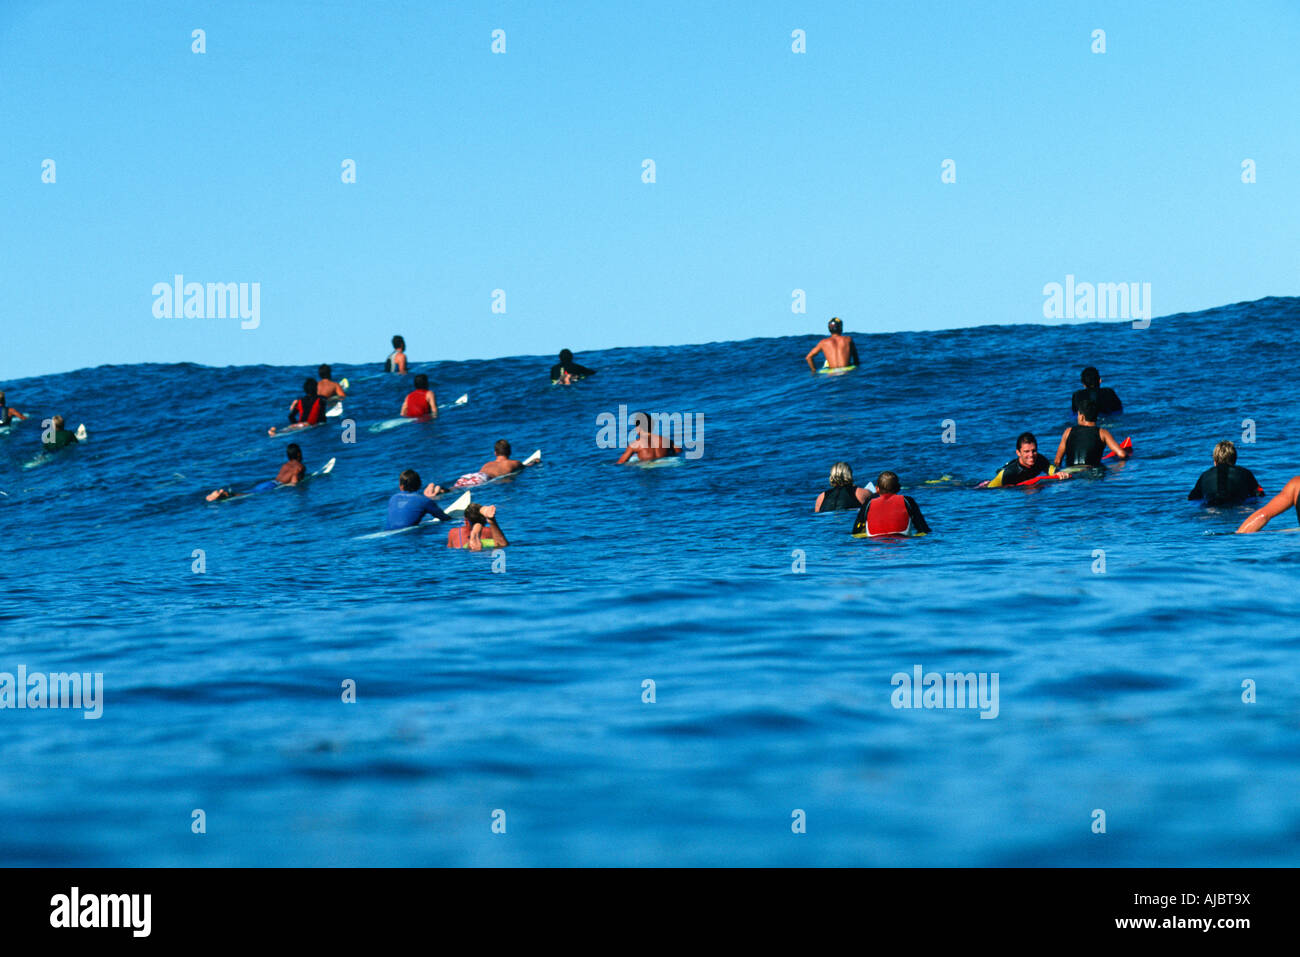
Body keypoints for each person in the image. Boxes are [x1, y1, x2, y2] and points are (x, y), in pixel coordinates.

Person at [206, 443, 307, 501]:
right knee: (248, 495)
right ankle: (226, 495)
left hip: (269, 482)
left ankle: (226, 494)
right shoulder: (300, 467)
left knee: (249, 492)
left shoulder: (285, 465)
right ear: (298, 454)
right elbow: (294, 482)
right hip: (274, 486)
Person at [851, 471, 931, 537]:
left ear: (876, 489)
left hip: (875, 545)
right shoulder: (908, 501)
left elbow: (856, 532)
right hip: (902, 542)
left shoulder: (869, 503)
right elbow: (923, 529)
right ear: (899, 488)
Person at [1052, 401, 1129, 468]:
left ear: (1082, 417)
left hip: (1069, 471)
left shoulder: (1068, 431)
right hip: (1091, 471)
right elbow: (1122, 454)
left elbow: (1057, 461)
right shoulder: (1102, 433)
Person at [433, 440, 530, 492]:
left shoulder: (487, 464)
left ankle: (441, 489)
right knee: (462, 489)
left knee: (455, 488)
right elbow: (525, 466)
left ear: (495, 453)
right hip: (483, 478)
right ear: (509, 452)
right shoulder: (513, 463)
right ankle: (442, 491)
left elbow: (479, 475)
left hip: (472, 475)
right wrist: (534, 462)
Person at [1188, 440, 1263, 506]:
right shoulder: (1246, 473)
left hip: (1212, 504)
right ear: (1235, 460)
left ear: (1214, 461)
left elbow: (1191, 498)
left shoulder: (1204, 475)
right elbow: (1260, 494)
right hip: (1237, 503)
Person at [386, 469, 453, 530]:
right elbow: (444, 518)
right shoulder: (424, 500)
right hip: (409, 533)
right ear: (419, 485)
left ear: (401, 486)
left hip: (388, 533)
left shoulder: (393, 498)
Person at [986, 432, 1055, 487]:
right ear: (1018, 453)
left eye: (1034, 451)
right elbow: (990, 490)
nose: (1031, 455)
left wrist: (1057, 473)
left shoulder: (1039, 459)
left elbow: (1052, 470)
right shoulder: (1008, 473)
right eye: (1026, 451)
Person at [616, 412, 680, 464]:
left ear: (638, 428)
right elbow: (679, 452)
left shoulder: (634, 445)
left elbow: (620, 462)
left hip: (648, 466)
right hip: (667, 463)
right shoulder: (667, 441)